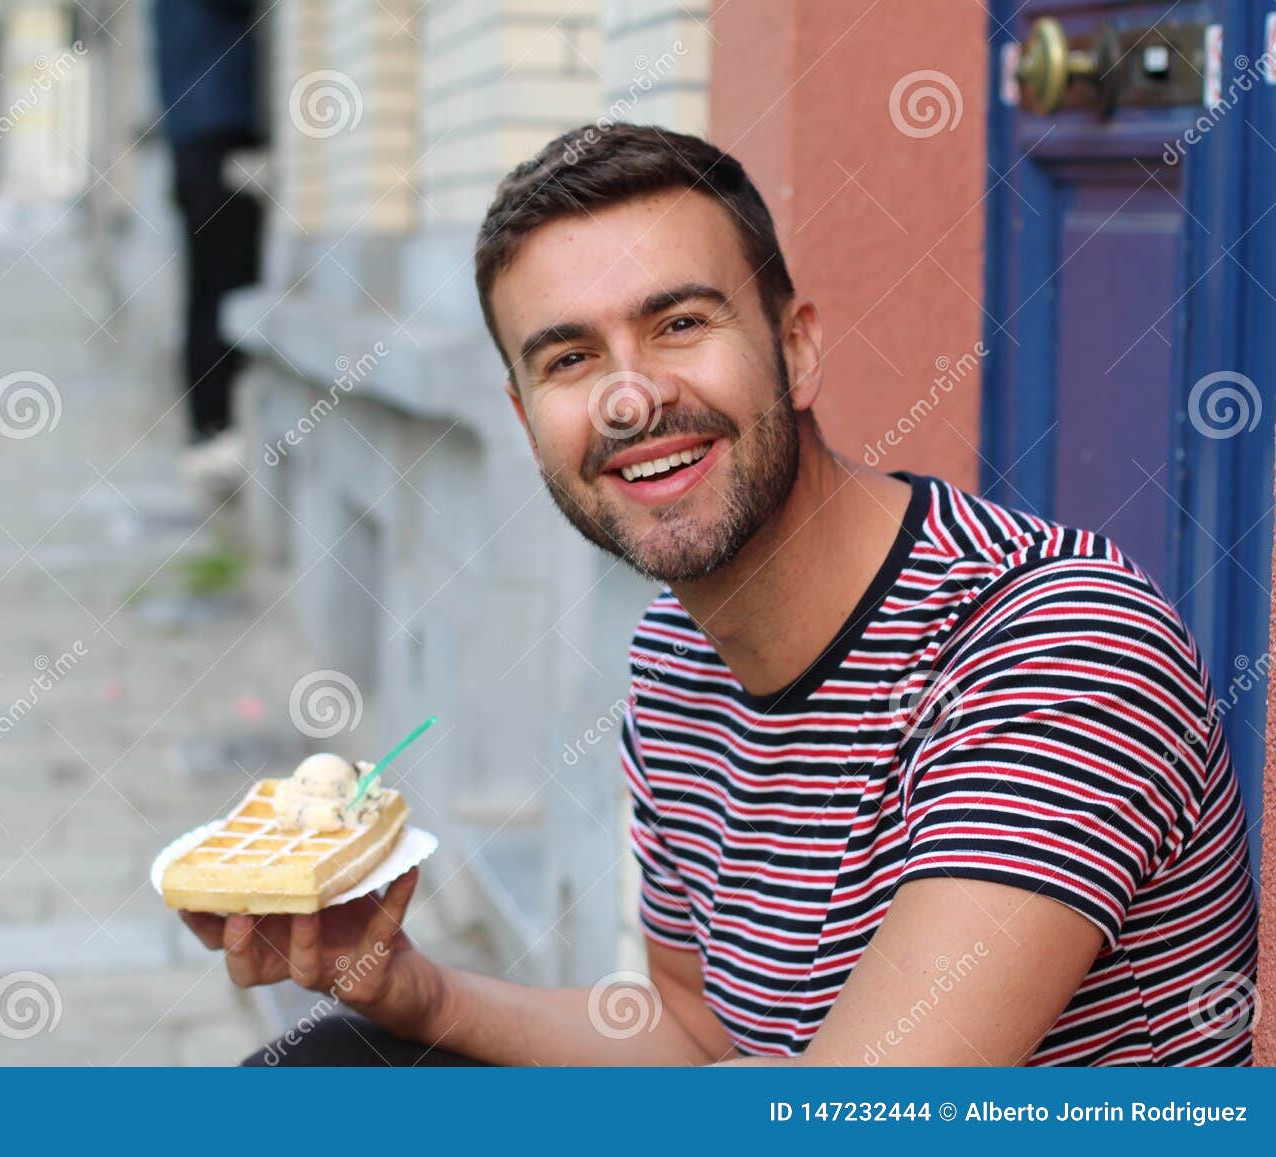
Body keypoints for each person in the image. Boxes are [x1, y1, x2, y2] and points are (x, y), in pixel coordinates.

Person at [184, 123, 1259, 1068]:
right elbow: (699, 1034)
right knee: (332, 1067)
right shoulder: (676, 657)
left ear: (794, 350)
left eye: (679, 324)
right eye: (568, 358)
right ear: (524, 423)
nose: (628, 395)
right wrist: (424, 993)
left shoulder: (1054, 645)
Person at [151, 0, 263, 488]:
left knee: (206, 286)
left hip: (192, 134)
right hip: (217, 130)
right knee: (224, 280)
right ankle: (216, 425)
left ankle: (209, 426)